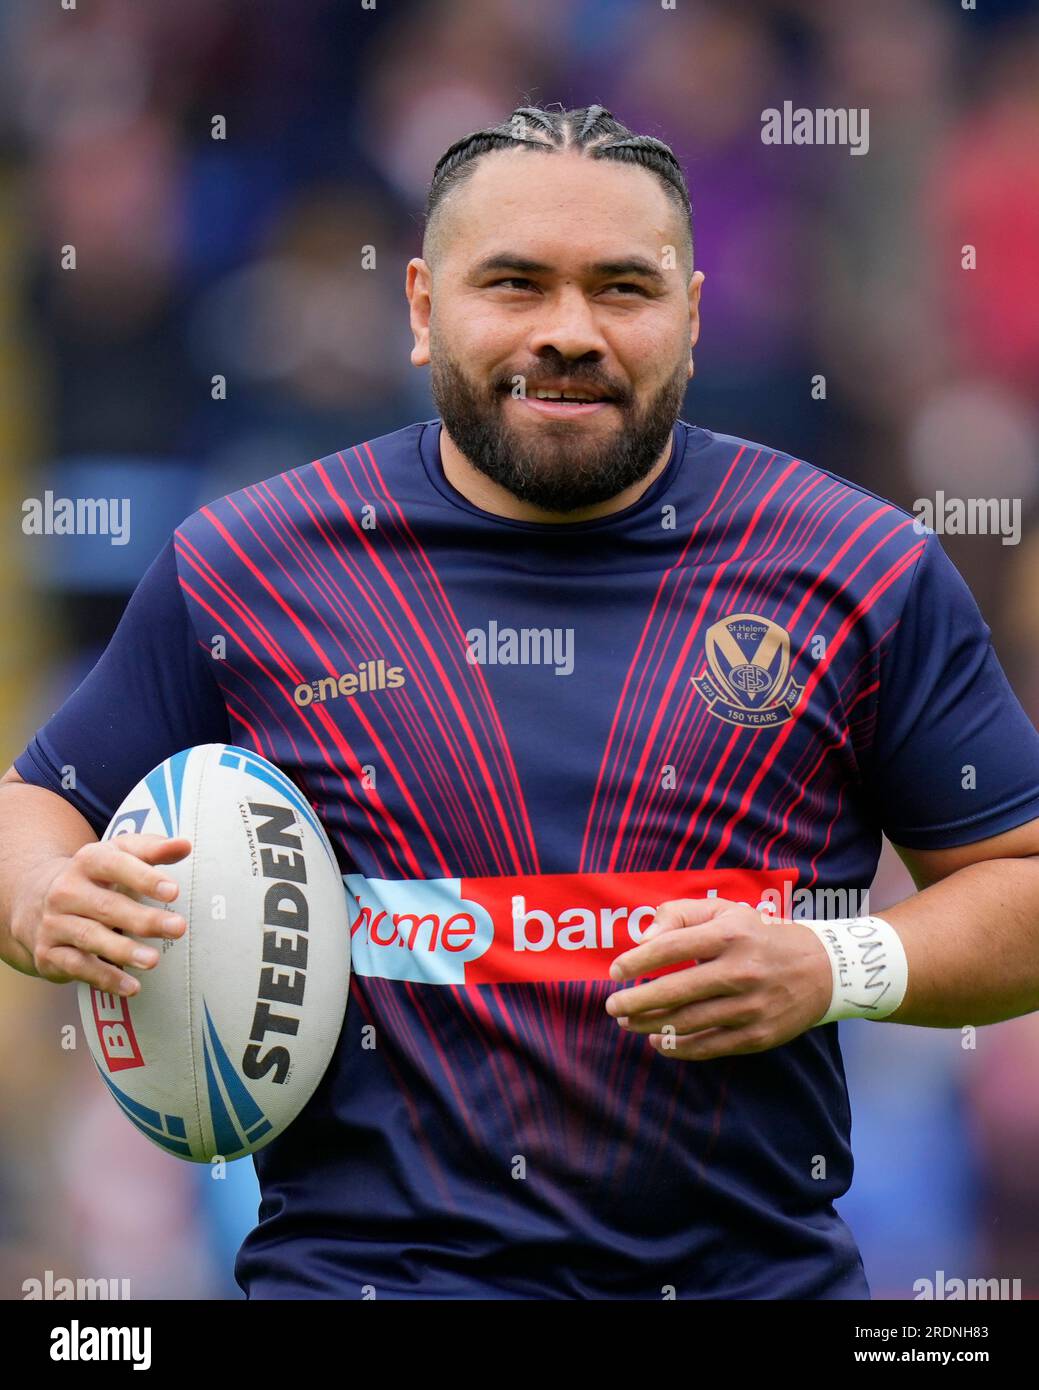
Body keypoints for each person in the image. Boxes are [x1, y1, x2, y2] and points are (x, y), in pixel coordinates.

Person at [3, 103, 1039, 1300]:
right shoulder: (247, 566)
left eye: (622, 289)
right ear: (422, 308)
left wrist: (835, 962)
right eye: (514, 284)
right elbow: (32, 807)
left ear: (693, 316)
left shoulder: (860, 566)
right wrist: (43, 897)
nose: (569, 333)